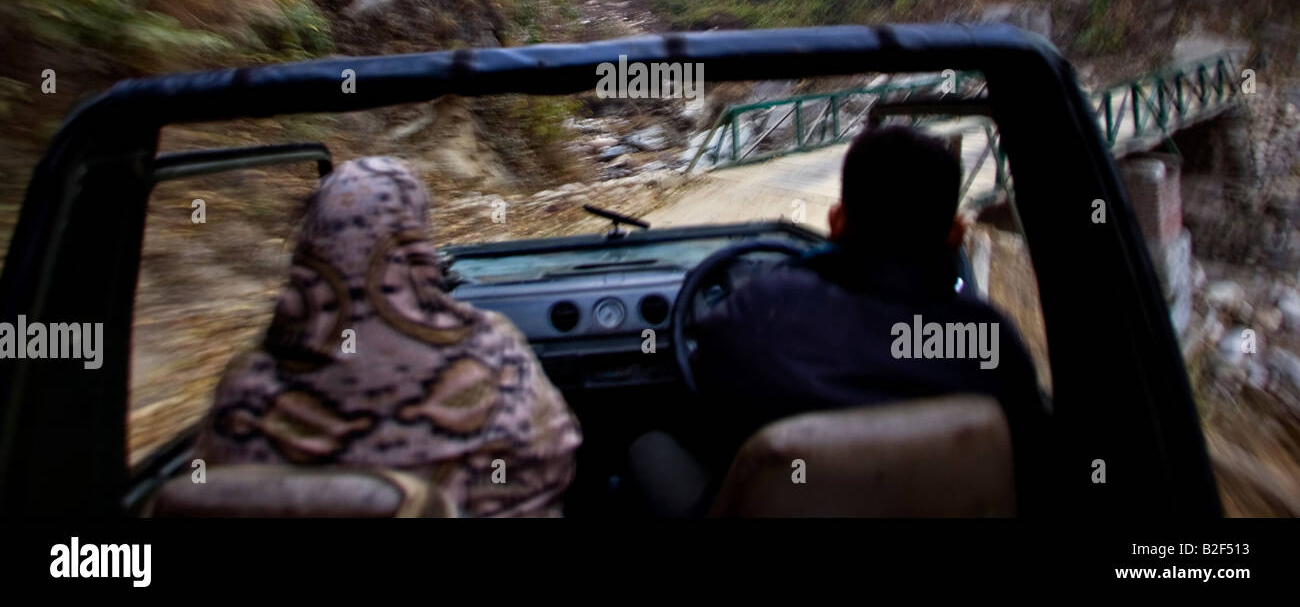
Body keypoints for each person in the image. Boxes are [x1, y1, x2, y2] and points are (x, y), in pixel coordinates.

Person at [634, 125, 1049, 515]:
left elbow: (705, 409)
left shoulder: (760, 310)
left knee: (649, 445)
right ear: (955, 235)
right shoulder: (991, 341)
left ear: (836, 222)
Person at [193, 156, 581, 517]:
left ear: (311, 242)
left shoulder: (249, 384)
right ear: (416, 241)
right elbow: (555, 455)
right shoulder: (489, 347)